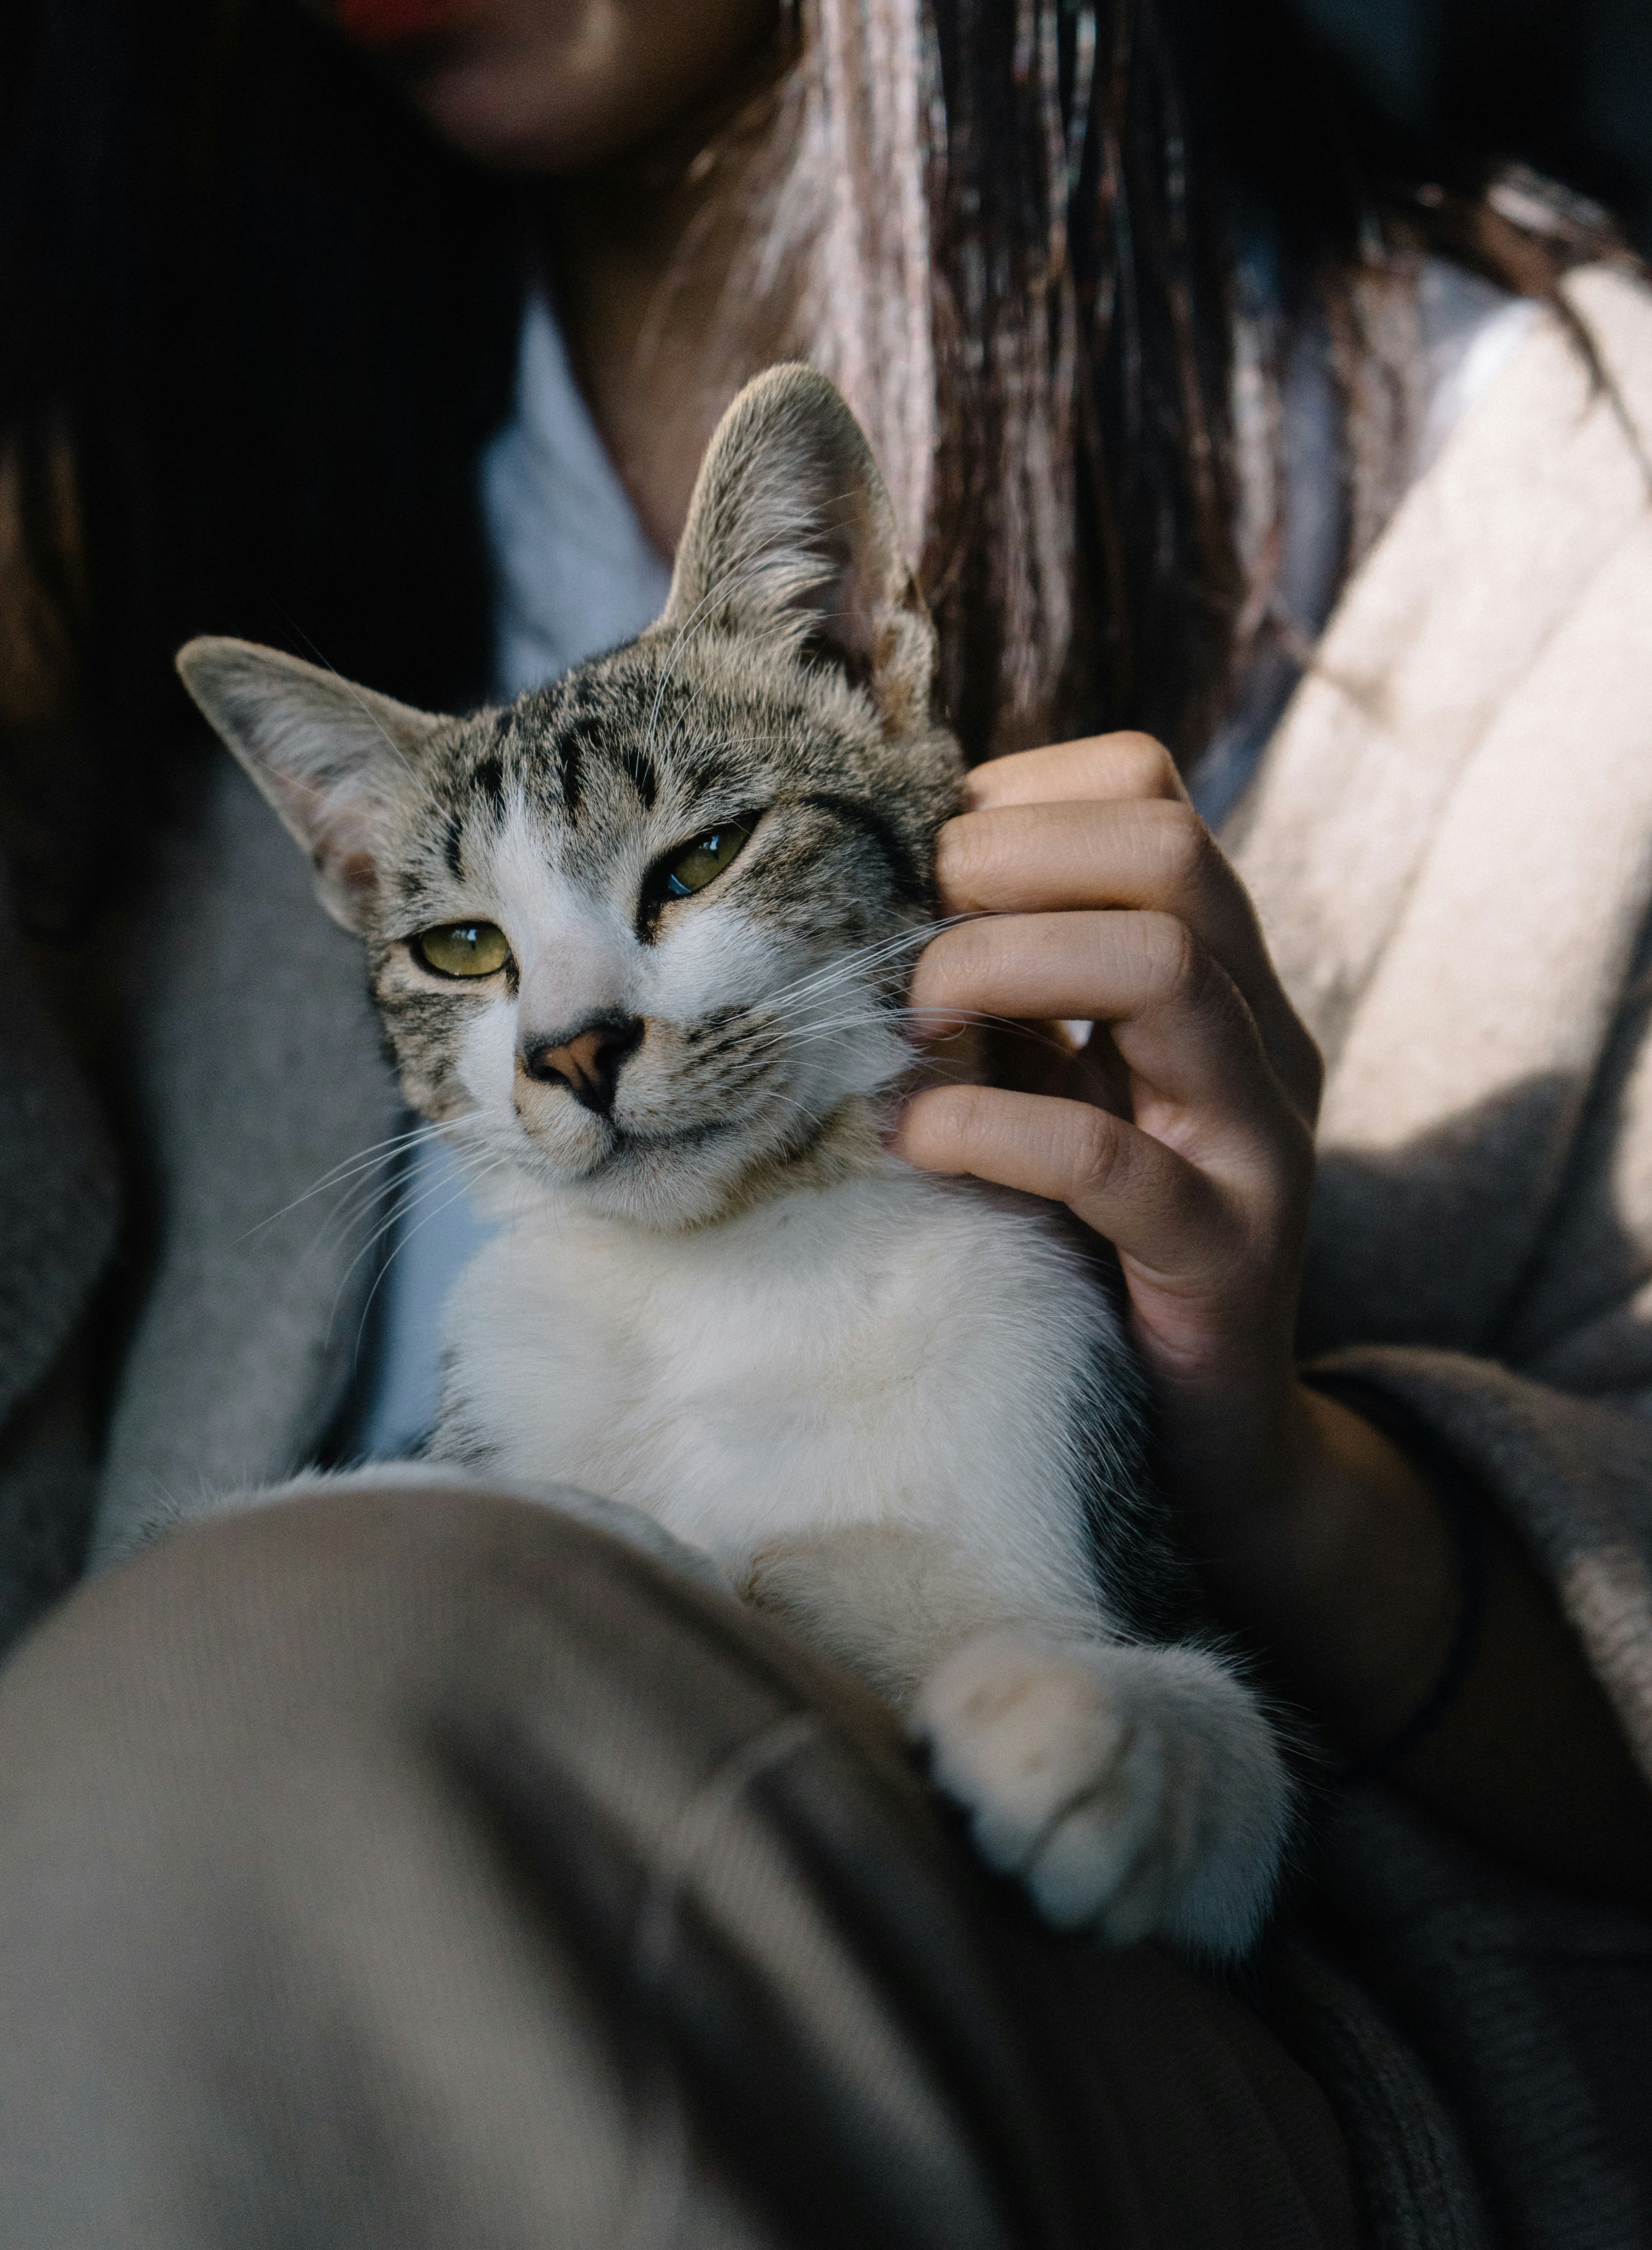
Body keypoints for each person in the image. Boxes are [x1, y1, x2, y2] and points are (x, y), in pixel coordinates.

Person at [0, 0, 1649, 2241]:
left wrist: (1281, 1466)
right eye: (472, 955)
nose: (571, 1031)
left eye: (683, 873)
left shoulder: (1578, 534)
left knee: (316, 1659)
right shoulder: (149, 483)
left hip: (1048, 2097)